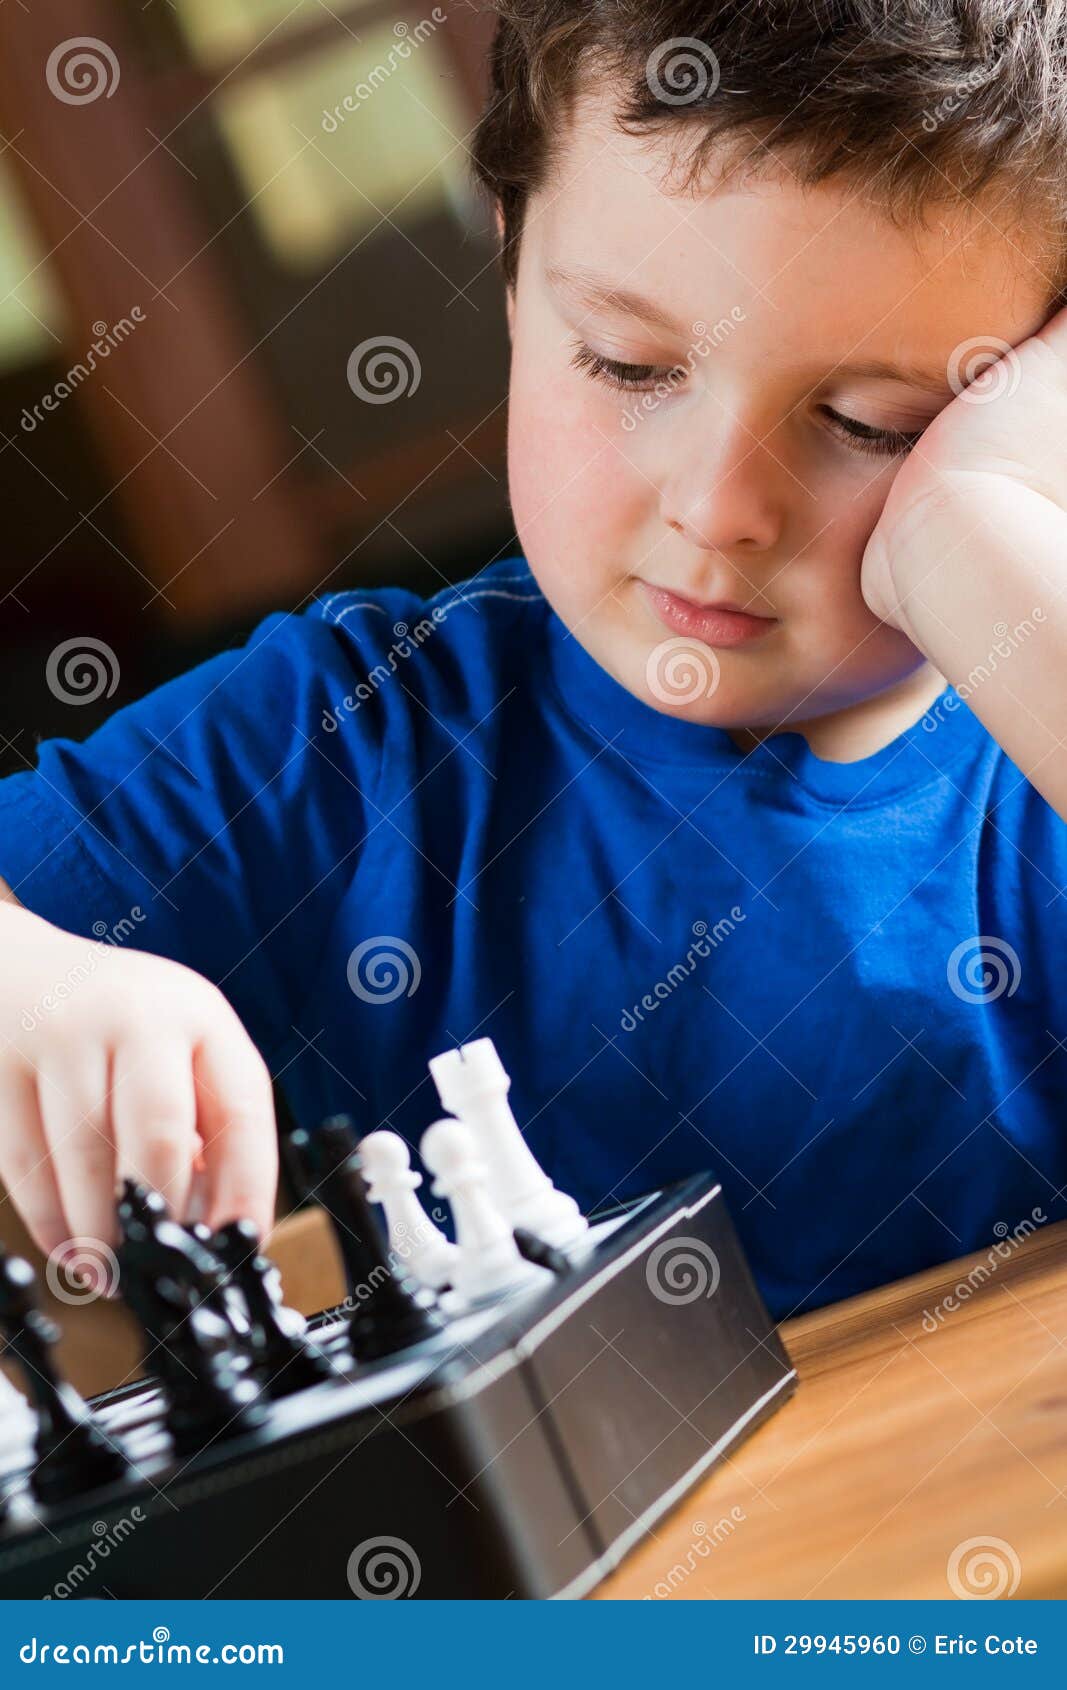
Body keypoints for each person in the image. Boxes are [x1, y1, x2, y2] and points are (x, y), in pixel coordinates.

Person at [2, 1, 1066, 1318]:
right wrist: (27, 980)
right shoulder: (346, 744)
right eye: (628, 363)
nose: (719, 506)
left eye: (872, 421)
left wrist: (977, 535)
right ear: (510, 272)